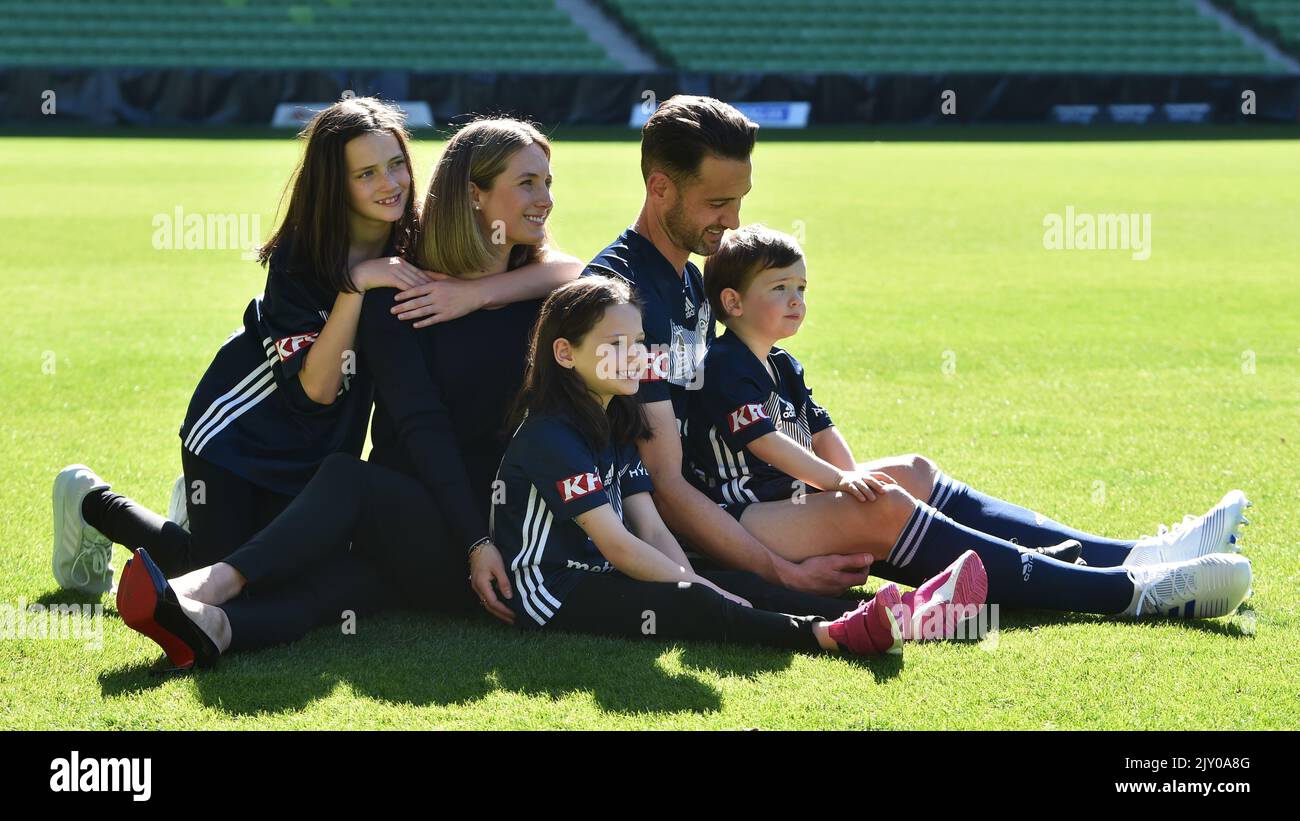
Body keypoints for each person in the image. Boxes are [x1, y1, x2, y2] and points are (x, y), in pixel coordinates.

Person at [114, 117, 582, 668]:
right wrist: (474, 543)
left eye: (548, 182)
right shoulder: (399, 292)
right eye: (527, 183)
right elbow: (414, 425)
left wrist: (477, 295)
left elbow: (578, 270)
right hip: (332, 479)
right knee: (335, 586)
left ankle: (209, 588)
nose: (545, 199)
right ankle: (215, 620)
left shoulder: (549, 297)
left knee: (344, 514)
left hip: (489, 543)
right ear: (474, 195)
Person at [683, 224, 1254, 621]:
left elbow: (824, 432)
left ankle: (1133, 553)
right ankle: (1133, 592)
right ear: (732, 302)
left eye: (801, 288)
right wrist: (840, 489)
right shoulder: (727, 364)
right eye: (778, 288)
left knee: (910, 472)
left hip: (788, 505)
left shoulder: (780, 361)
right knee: (882, 502)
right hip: (743, 522)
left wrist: (849, 483)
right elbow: (767, 442)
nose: (796, 300)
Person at [490, 275, 989, 654]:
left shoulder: (615, 417)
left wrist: (694, 577)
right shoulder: (550, 435)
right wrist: (694, 588)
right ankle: (830, 636)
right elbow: (619, 544)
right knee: (696, 600)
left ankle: (902, 615)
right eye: (614, 345)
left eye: (638, 342)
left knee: (731, 583)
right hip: (552, 591)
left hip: (600, 570)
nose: (633, 356)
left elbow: (649, 524)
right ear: (564, 353)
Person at [53, 96, 428, 592]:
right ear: (334, 185)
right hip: (239, 433)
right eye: (366, 174)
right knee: (213, 576)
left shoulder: (416, 241)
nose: (390, 183)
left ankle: (198, 508)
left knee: (285, 572)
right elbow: (316, 388)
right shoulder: (301, 256)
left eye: (396, 164)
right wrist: (355, 284)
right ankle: (90, 502)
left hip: (320, 448)